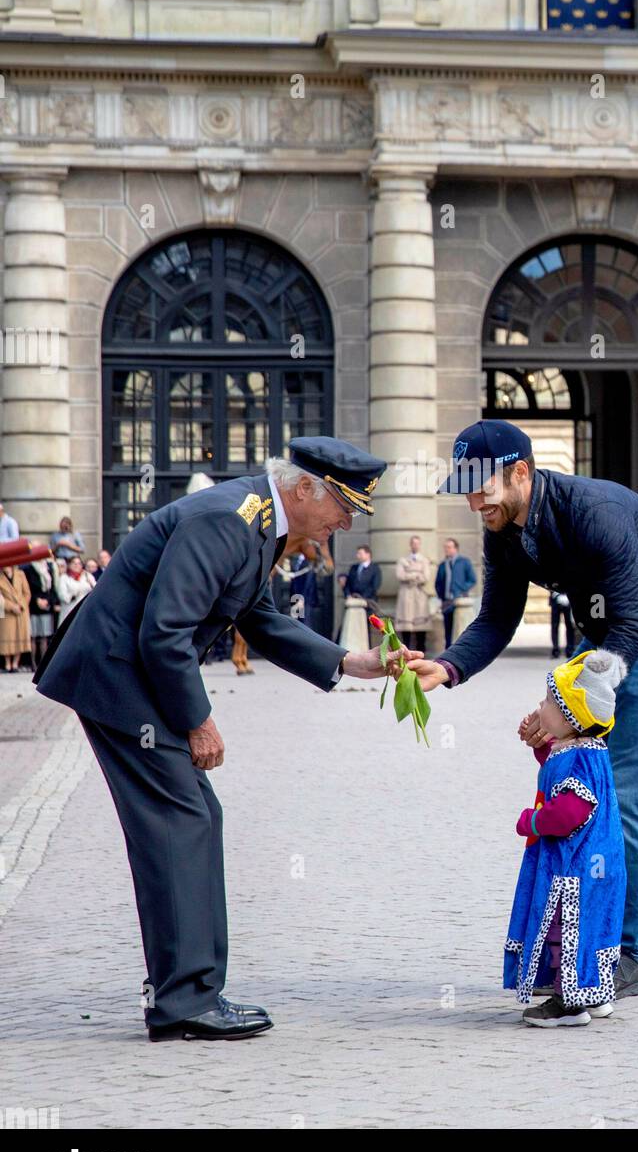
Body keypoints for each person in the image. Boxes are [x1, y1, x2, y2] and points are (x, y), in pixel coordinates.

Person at [35, 436, 419, 1042]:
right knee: (179, 819)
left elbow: (259, 619)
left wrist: (352, 662)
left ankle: (189, 987)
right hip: (120, 673)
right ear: (302, 489)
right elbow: (165, 632)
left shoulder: (256, 521)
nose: (345, 522)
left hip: (133, 671)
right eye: (342, 507)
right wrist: (199, 719)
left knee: (192, 817)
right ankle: (184, 1000)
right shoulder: (227, 520)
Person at [408, 420, 638, 1001]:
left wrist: (573, 710)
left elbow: (635, 623)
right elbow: (497, 618)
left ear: (520, 473)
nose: (474, 502)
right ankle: (573, 942)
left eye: (481, 488)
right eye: (465, 490)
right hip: (605, 635)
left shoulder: (594, 513)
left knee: (626, 796)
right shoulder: (504, 529)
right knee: (575, 781)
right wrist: (446, 668)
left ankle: (623, 956)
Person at [506, 651, 626, 1028]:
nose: (540, 706)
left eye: (547, 701)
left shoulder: (578, 759)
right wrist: (540, 747)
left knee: (563, 928)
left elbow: (569, 812)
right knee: (592, 925)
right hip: (599, 861)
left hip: (575, 865)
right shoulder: (582, 749)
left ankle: (569, 1002)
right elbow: (556, 770)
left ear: (570, 714)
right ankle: (596, 992)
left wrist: (534, 822)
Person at [435, 537, 476, 648]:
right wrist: (441, 596)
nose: (446, 549)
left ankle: (459, 652)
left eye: (449, 547)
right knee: (447, 630)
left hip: (459, 602)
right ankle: (447, 655)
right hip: (446, 602)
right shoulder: (442, 565)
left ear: (455, 548)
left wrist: (462, 589)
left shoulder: (464, 562)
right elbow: (438, 583)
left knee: (460, 630)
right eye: (445, 547)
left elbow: (472, 580)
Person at [23, 553, 61, 670]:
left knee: (45, 636)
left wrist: (50, 602)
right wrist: (36, 600)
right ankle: (33, 663)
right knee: (34, 636)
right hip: (34, 605)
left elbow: (53, 587)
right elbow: (27, 587)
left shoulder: (48, 567)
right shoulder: (28, 568)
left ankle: (43, 663)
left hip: (46, 604)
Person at [396, 534, 433, 653]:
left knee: (421, 626)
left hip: (419, 595)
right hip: (406, 595)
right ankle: (406, 653)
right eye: (413, 543)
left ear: (420, 545)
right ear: (410, 545)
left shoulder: (424, 560)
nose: (415, 545)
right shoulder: (403, 560)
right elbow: (400, 575)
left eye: (417, 543)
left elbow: (426, 577)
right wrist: (415, 574)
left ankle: (421, 652)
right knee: (405, 627)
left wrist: (410, 574)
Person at [0, 563, 31, 672]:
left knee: (20, 635)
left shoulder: (20, 574)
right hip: (7, 611)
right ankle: (7, 663)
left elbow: (27, 593)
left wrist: (21, 606)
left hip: (21, 610)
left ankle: (15, 664)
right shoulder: (0, 577)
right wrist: (11, 607)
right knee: (7, 636)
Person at [343, 544, 381, 615]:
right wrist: (348, 594)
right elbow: (348, 584)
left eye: (360, 553)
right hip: (353, 603)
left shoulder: (375, 568)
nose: (358, 556)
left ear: (368, 554)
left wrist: (362, 597)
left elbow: (375, 585)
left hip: (369, 602)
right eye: (357, 553)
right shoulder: (353, 568)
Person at [56, 554, 94, 622]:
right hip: (69, 610)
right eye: (74, 563)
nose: (77, 565)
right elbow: (62, 595)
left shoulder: (87, 575)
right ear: (69, 565)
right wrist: (74, 594)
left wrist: (90, 584)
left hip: (84, 610)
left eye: (79, 563)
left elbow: (95, 588)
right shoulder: (64, 578)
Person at [550, 588, 575, 659]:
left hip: (568, 597)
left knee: (569, 625)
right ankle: (555, 649)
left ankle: (570, 650)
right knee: (555, 626)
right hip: (555, 597)